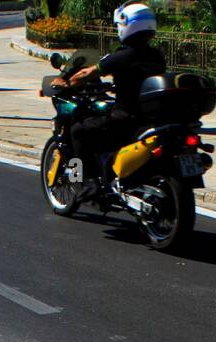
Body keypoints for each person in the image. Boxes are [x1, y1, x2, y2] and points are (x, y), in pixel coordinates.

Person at [53, 3, 165, 198]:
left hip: (125, 117)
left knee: (79, 130)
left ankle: (88, 182)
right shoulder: (157, 56)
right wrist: (116, 86)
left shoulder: (122, 56)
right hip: (149, 118)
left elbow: (88, 72)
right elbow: (138, 80)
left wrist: (67, 83)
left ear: (127, 25)